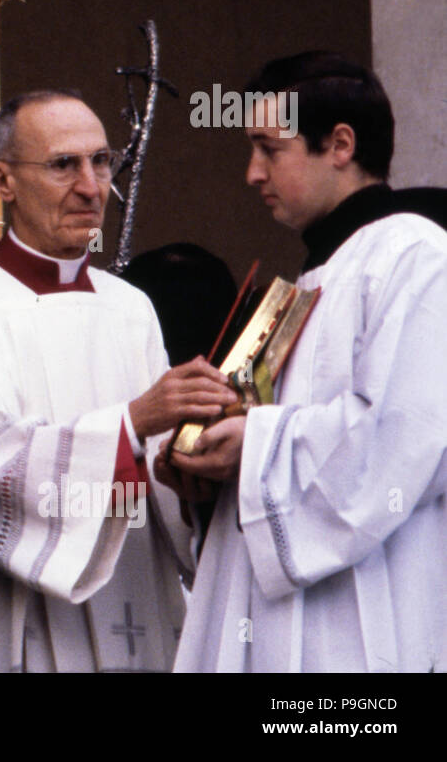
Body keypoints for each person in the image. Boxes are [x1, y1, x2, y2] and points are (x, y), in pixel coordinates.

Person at [0, 89, 237, 672]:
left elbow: (161, 486)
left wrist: (191, 471)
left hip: (137, 613)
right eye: (63, 165)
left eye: (102, 161)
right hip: (10, 632)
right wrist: (132, 423)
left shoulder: (131, 308)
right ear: (3, 181)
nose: (91, 186)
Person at [164, 52, 447, 672]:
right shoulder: (314, 279)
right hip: (280, 614)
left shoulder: (416, 255)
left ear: (340, 144)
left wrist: (255, 443)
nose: (252, 173)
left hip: (365, 602)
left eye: (270, 149)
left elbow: (404, 436)